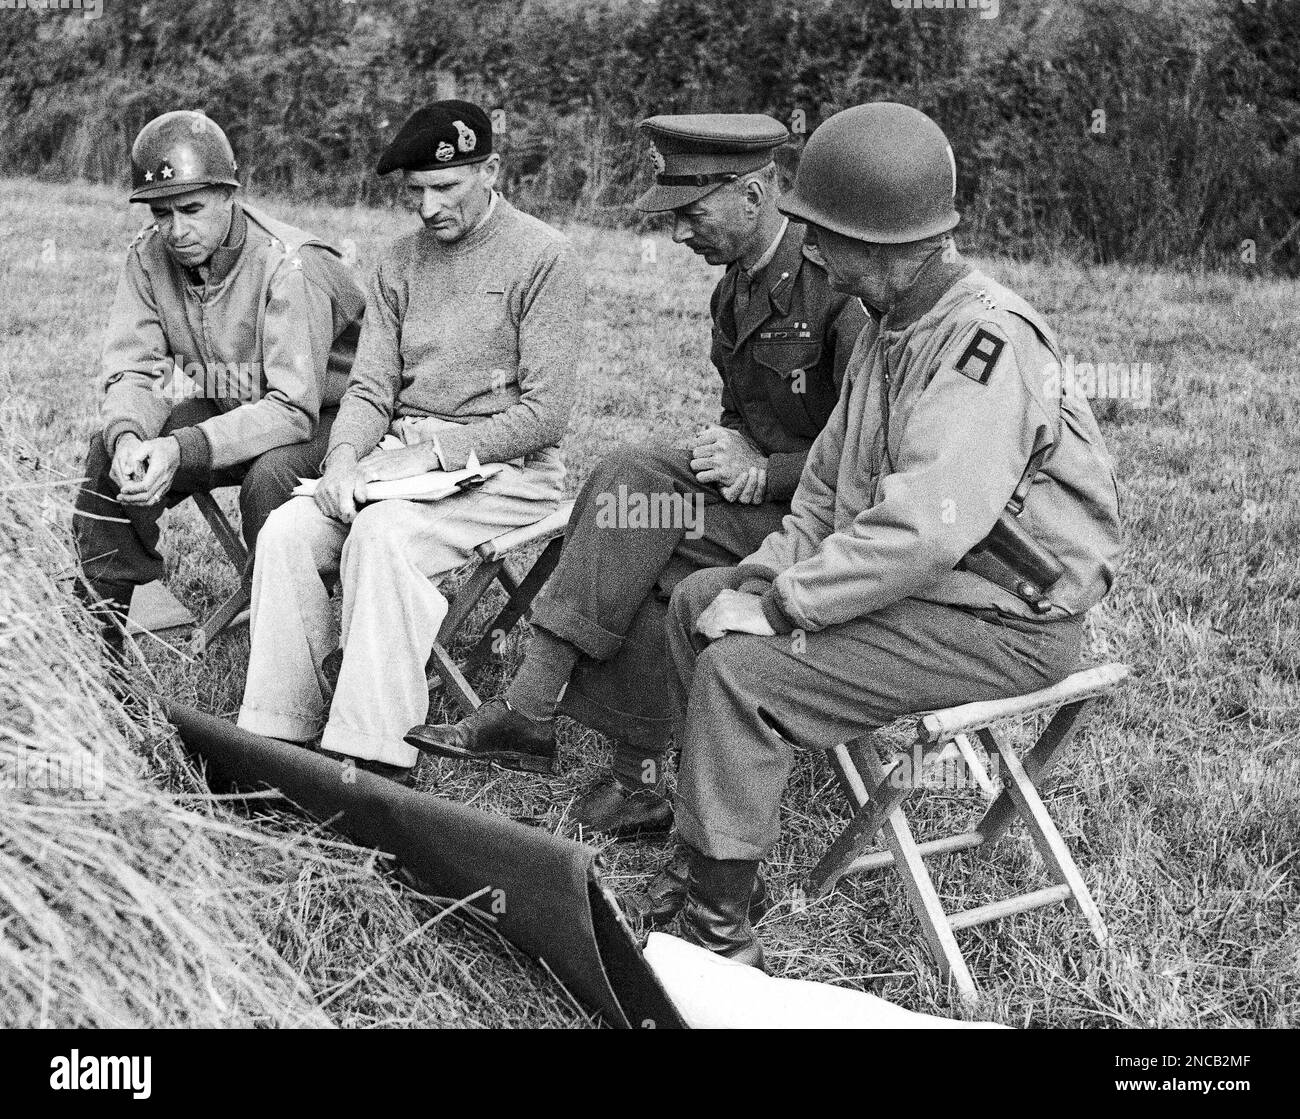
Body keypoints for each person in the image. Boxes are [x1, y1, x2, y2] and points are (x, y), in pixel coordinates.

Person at [636, 102, 1124, 970]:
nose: (811, 249)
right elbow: (824, 495)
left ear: (885, 240)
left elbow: (923, 529)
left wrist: (781, 610)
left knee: (746, 670)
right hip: (939, 592)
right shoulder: (889, 328)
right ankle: (708, 856)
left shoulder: (984, 342)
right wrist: (760, 581)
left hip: (1005, 621)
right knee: (703, 601)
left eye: (825, 235)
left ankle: (718, 931)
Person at [405, 114, 870, 838]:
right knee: (629, 477)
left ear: (752, 196)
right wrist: (731, 444)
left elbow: (870, 454)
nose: (679, 234)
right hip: (759, 501)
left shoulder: (837, 290)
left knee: (651, 547)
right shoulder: (734, 291)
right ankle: (549, 721)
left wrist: (769, 470)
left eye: (692, 214)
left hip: (828, 522)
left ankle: (611, 761)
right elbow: (743, 411)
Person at [237, 100, 587, 784]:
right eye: (415, 192)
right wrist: (344, 459)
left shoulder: (546, 256)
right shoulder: (398, 262)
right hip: (401, 463)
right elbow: (370, 388)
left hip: (509, 471)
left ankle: (375, 759)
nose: (427, 208)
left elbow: (545, 416)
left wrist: (427, 454)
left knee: (382, 535)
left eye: (445, 188)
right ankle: (277, 738)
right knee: (285, 531)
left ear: (491, 170)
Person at [74, 110, 365, 659]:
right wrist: (130, 436)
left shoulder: (289, 264)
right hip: (236, 402)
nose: (176, 230)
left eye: (191, 209)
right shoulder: (148, 256)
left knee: (271, 477)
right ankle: (97, 647)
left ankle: (288, 651)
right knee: (109, 454)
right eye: (161, 213)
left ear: (229, 194)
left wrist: (183, 447)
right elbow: (135, 369)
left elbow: (293, 410)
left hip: (330, 417)